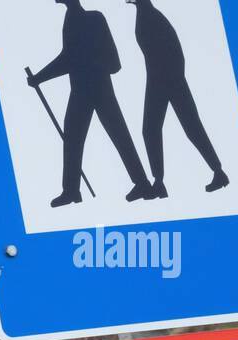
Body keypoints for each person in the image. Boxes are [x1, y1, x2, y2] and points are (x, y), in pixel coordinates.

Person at [28, 0, 155, 207]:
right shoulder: (78, 19)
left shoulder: (88, 19)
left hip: (93, 88)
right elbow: (68, 58)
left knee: (112, 135)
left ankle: (140, 184)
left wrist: (40, 77)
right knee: (77, 137)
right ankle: (72, 190)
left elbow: (68, 59)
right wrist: (40, 77)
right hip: (86, 89)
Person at [128, 0, 229, 199]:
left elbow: (174, 51)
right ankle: (163, 182)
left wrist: (171, 79)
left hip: (165, 81)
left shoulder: (151, 17)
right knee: (181, 128)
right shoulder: (146, 15)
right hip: (163, 80)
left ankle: (214, 172)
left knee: (167, 129)